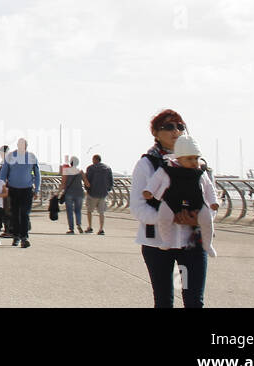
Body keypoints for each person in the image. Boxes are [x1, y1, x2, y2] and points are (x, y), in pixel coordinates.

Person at [130, 109, 206, 308]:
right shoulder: (147, 164)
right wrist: (167, 218)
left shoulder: (197, 162)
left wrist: (199, 218)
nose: (176, 131)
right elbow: (138, 206)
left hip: (191, 243)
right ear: (155, 133)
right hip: (157, 243)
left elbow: (211, 199)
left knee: (193, 301)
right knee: (164, 300)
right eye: (169, 126)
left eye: (180, 126)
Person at [141, 135, 218, 255]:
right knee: (164, 218)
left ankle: (208, 245)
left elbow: (209, 188)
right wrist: (149, 191)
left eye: (196, 158)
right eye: (189, 159)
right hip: (172, 201)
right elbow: (155, 181)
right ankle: (166, 241)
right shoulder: (167, 168)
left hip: (196, 203)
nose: (194, 162)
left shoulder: (200, 172)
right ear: (179, 158)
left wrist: (213, 202)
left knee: (207, 220)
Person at [0, 138, 40, 248]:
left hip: (27, 189)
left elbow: (37, 174)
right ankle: (16, 236)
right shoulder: (10, 157)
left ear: (26, 146)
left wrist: (37, 189)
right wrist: (1, 186)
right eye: (20, 144)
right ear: (17, 145)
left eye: (24, 145)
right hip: (13, 189)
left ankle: (24, 237)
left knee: (25, 214)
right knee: (15, 214)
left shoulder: (31, 157)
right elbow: (3, 173)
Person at [84, 154, 113, 234]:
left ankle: (90, 227)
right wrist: (107, 190)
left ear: (94, 159)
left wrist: (87, 189)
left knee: (89, 211)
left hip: (92, 193)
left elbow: (87, 181)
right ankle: (101, 229)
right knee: (101, 212)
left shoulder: (90, 168)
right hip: (103, 194)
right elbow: (111, 181)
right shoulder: (107, 168)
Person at [62, 156, 86, 235]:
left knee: (69, 211)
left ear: (70, 162)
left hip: (69, 193)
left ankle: (71, 229)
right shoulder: (80, 171)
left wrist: (58, 193)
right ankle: (79, 224)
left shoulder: (66, 171)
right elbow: (86, 183)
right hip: (79, 193)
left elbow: (63, 184)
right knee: (78, 211)